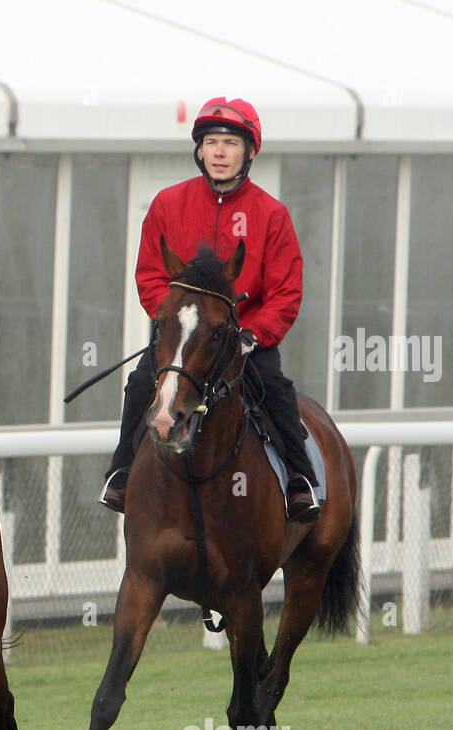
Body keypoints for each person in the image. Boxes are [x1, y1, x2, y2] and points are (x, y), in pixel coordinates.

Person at [100, 97, 321, 523]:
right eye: (211, 142)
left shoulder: (272, 215)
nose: (219, 152)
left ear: (249, 152)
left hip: (245, 340)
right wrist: (172, 325)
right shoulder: (167, 205)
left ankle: (300, 477)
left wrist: (251, 334)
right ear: (199, 150)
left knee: (274, 387)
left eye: (230, 143)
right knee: (140, 382)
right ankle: (121, 471)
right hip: (184, 341)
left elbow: (286, 291)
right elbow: (149, 275)